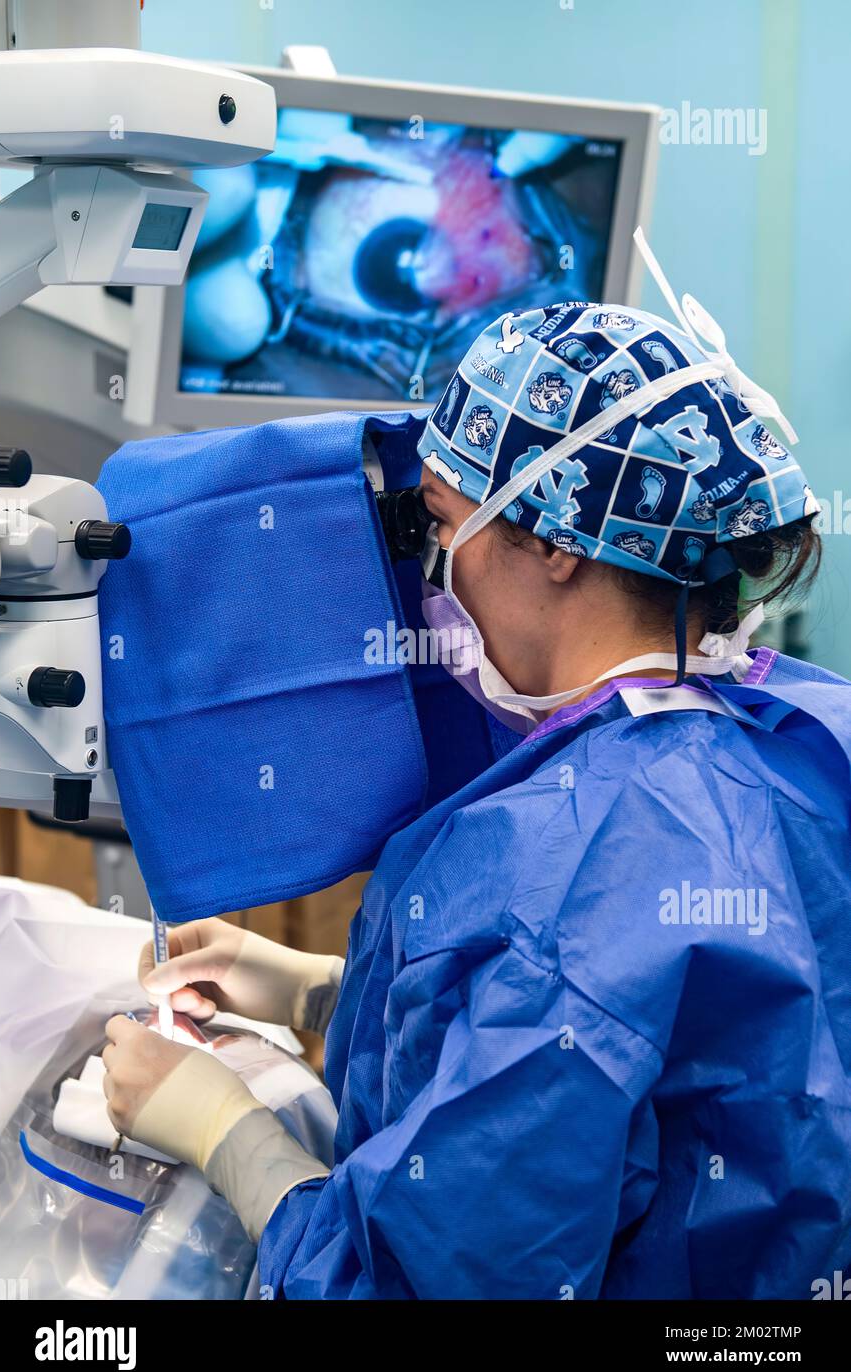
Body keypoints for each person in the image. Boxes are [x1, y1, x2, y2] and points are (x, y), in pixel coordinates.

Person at [102, 238, 851, 1299]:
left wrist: (227, 1133)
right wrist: (324, 993)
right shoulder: (805, 733)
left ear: (556, 542)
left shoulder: (559, 868)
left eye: (441, 527)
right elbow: (674, 1052)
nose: (429, 572)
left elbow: (426, 1284)